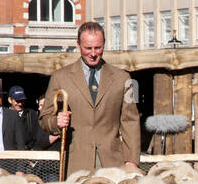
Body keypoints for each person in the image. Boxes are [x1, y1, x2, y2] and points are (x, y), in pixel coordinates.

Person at [39, 21, 141, 172]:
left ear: (104, 44)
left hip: (113, 164)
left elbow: (131, 121)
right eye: (88, 48)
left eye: (98, 48)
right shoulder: (59, 77)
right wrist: (56, 122)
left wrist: (132, 161)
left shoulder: (125, 78)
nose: (93, 54)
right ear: (78, 45)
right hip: (75, 164)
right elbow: (44, 118)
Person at [8, 85, 50, 149]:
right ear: (10, 100)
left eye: (22, 100)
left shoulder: (31, 114)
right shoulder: (4, 115)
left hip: (27, 153)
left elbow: (38, 137)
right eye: (17, 101)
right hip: (9, 153)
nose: (20, 104)